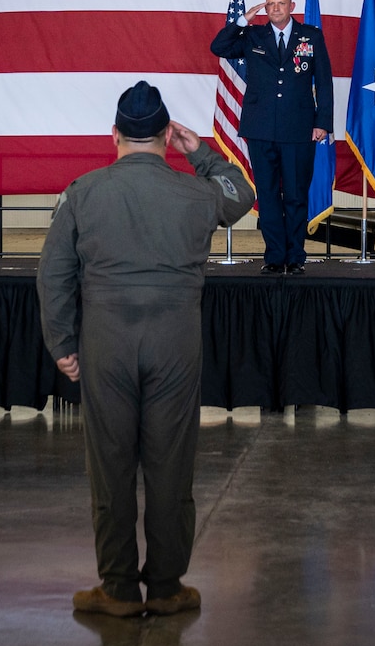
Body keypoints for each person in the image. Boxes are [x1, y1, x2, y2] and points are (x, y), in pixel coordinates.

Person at [37, 80, 255, 618]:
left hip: (106, 342)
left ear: (113, 136)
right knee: (170, 465)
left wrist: (63, 343)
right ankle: (164, 587)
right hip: (175, 342)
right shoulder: (196, 192)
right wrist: (198, 151)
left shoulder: (82, 191)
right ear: (164, 136)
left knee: (110, 465)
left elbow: (54, 273)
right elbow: (242, 193)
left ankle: (116, 589)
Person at [210, 0, 334, 275]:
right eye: (270, 5)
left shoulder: (310, 36)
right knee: (267, 195)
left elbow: (325, 81)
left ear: (292, 6)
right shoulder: (253, 36)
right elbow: (219, 47)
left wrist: (323, 123)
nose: (276, 9)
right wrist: (242, 20)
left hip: (299, 128)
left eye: (281, 4)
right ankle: (275, 256)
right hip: (261, 128)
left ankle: (295, 257)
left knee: (295, 194)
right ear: (265, 7)